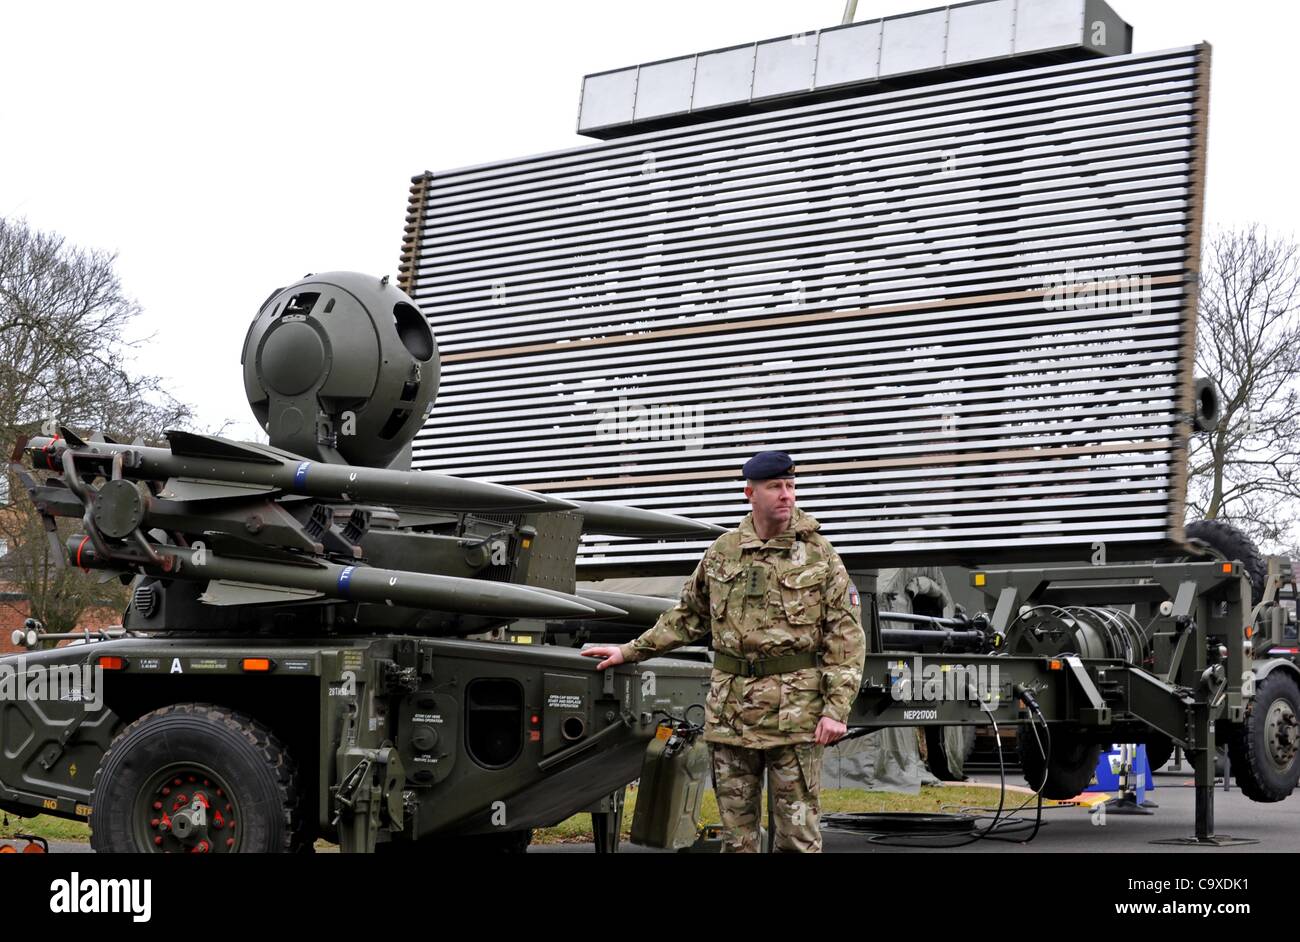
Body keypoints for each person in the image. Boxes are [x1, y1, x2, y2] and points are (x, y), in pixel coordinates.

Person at [581, 450, 866, 852]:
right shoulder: (723, 552)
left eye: (790, 485)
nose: (787, 495)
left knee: (797, 840)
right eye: (775, 487)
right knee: (737, 839)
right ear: (750, 492)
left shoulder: (820, 555)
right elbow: (687, 617)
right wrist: (629, 652)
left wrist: (836, 710)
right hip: (731, 714)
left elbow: (846, 638)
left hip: (795, 716)